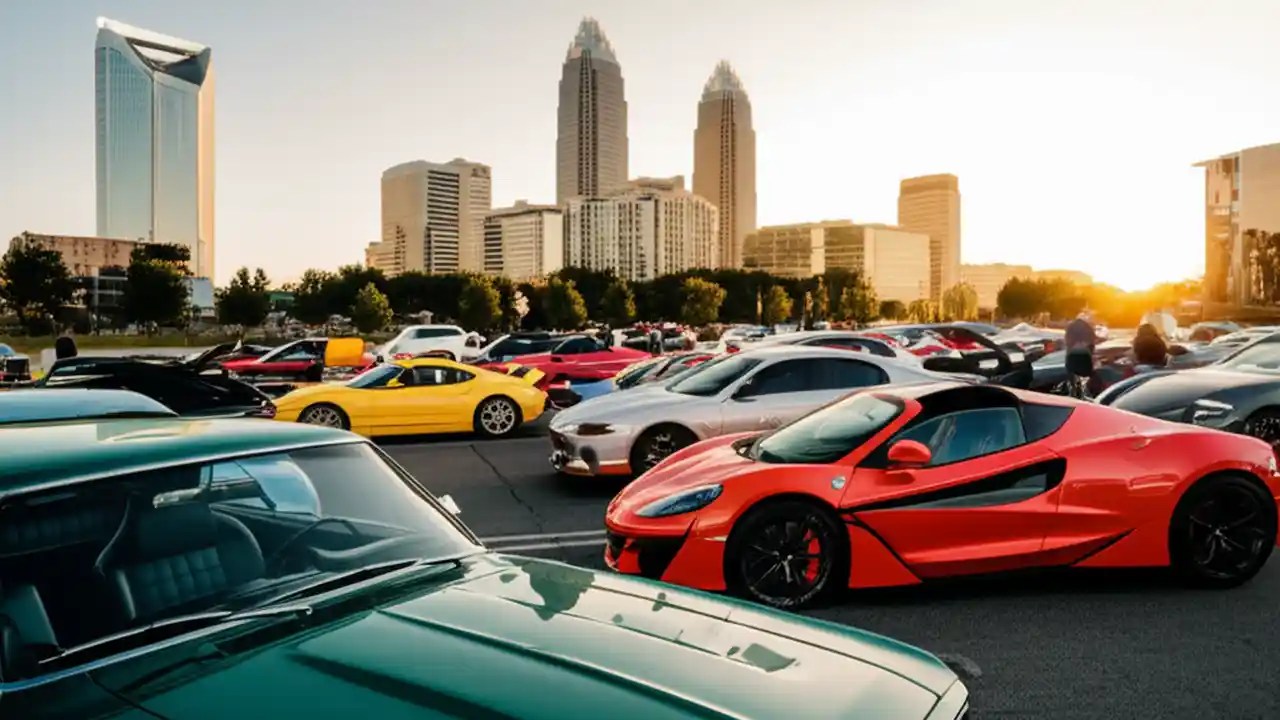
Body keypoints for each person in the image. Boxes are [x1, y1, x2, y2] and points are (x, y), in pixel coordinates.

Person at [1063, 311, 1096, 379]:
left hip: (1072, 354)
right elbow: (1092, 342)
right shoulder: (1088, 327)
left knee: (1071, 376)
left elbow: (1067, 341)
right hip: (1084, 355)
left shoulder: (1070, 326)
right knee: (1085, 376)